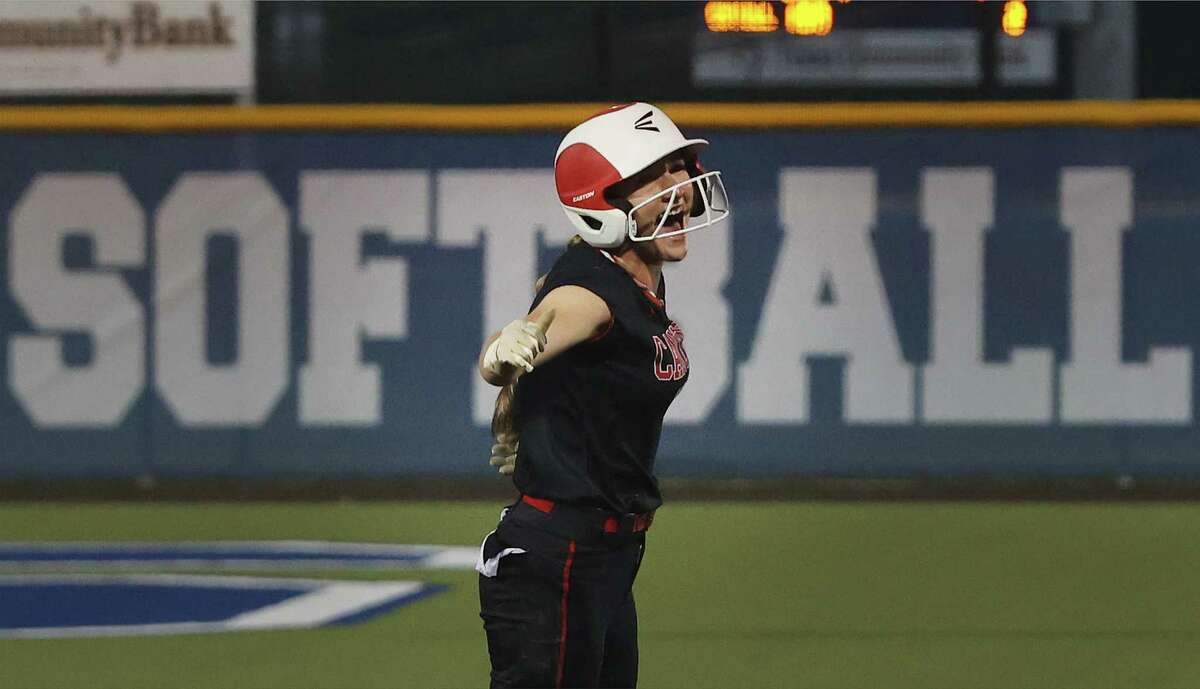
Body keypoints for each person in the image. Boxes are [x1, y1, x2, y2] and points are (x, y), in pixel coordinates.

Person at [475, 102, 730, 689]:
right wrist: (503, 356)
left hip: (604, 556)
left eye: (680, 167)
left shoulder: (631, 274)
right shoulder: (593, 295)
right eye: (656, 175)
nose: (681, 188)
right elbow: (533, 330)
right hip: (558, 558)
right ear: (600, 201)